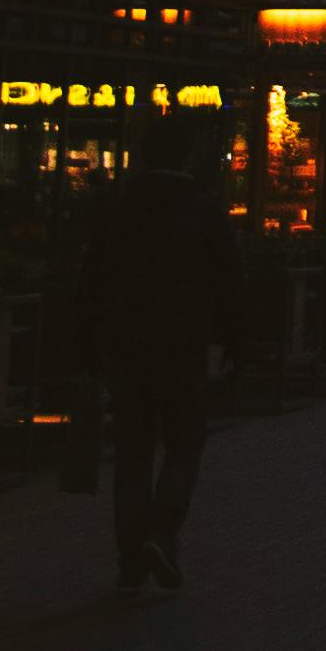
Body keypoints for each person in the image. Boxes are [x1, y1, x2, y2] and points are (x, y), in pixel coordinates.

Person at [93, 113, 233, 596]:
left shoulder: (118, 208)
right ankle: (162, 531)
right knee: (184, 444)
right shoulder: (204, 210)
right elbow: (229, 281)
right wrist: (230, 341)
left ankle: (130, 556)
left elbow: (93, 279)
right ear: (189, 156)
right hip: (183, 346)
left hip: (126, 347)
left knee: (132, 451)